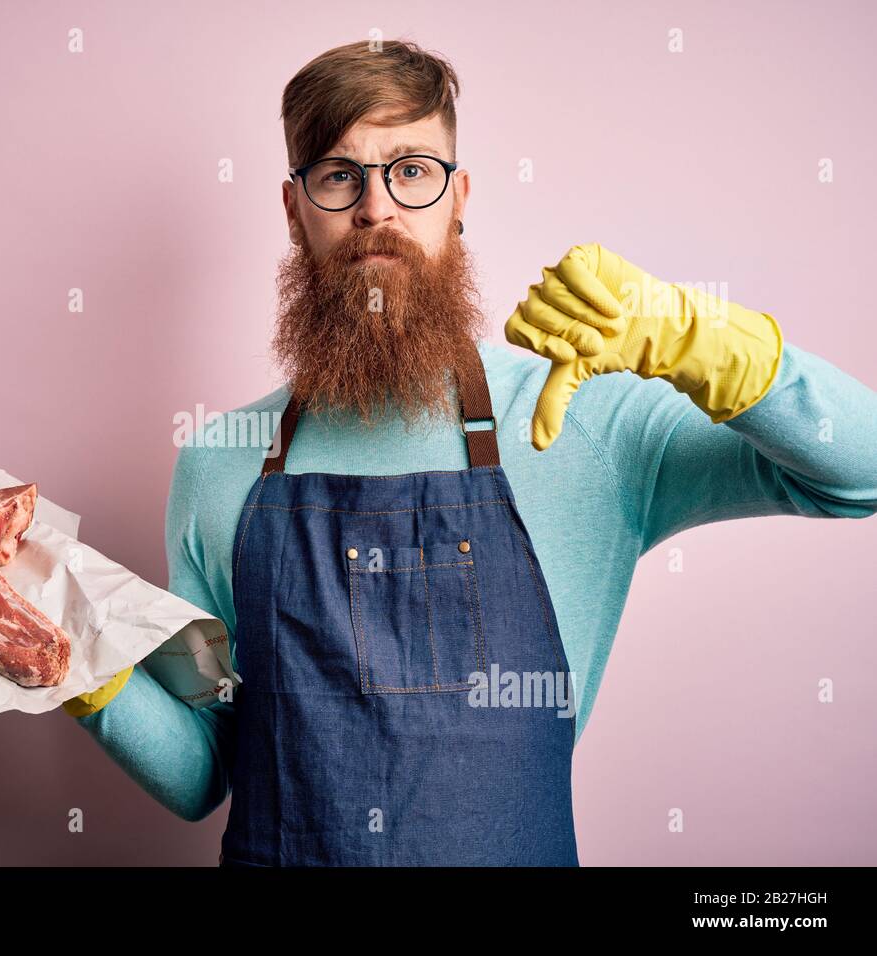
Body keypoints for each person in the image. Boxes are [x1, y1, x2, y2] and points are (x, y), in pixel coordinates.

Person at [62, 39, 877, 866]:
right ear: (292, 207)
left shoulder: (578, 422)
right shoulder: (218, 463)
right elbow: (205, 770)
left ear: (459, 199)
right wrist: (67, 652)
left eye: (412, 170)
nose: (376, 208)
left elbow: (861, 473)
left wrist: (703, 341)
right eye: (339, 175)